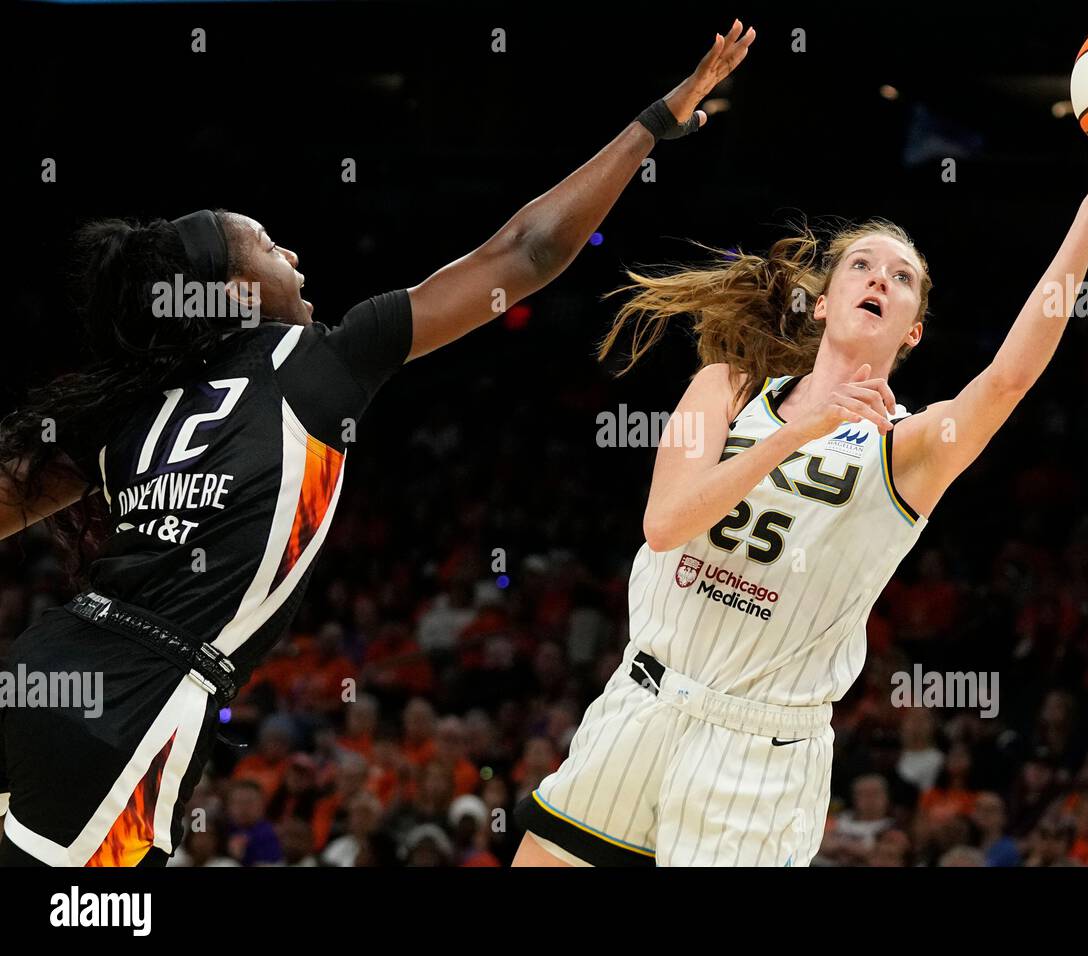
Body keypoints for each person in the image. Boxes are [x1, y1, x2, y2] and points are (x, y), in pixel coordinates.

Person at [0, 22, 755, 867]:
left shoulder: (127, 402)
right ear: (234, 290)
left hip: (42, 666)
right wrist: (651, 124)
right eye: (266, 243)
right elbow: (528, 252)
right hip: (136, 702)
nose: (291, 252)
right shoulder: (320, 362)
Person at [514, 135, 1088, 866]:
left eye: (902, 276)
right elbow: (666, 526)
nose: (880, 277)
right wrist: (798, 432)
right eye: (862, 264)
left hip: (761, 756)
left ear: (912, 329)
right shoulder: (725, 387)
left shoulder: (907, 450)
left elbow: (1008, 378)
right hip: (641, 707)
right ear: (822, 304)